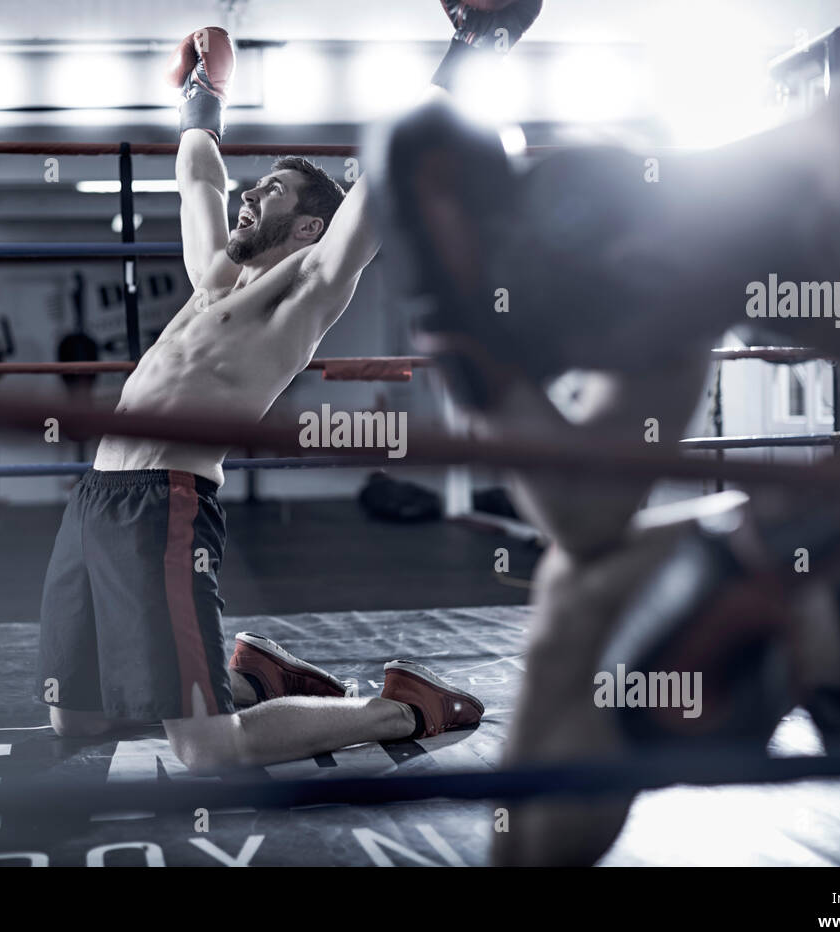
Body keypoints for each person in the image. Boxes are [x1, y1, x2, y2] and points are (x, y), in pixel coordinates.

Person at [368, 73, 840, 864]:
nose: (654, 371)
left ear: (648, 266)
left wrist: (766, 557)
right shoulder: (680, 271)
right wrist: (475, 359)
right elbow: (586, 517)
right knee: (581, 592)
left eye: (626, 356)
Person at [36, 3, 543, 772]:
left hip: (164, 505)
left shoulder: (309, 287)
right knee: (74, 722)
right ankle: (255, 679)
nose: (249, 196)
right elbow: (199, 178)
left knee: (206, 751)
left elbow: (386, 182)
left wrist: (474, 47)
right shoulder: (215, 276)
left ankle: (401, 708)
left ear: (309, 229)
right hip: (96, 499)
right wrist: (204, 93)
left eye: (270, 192)